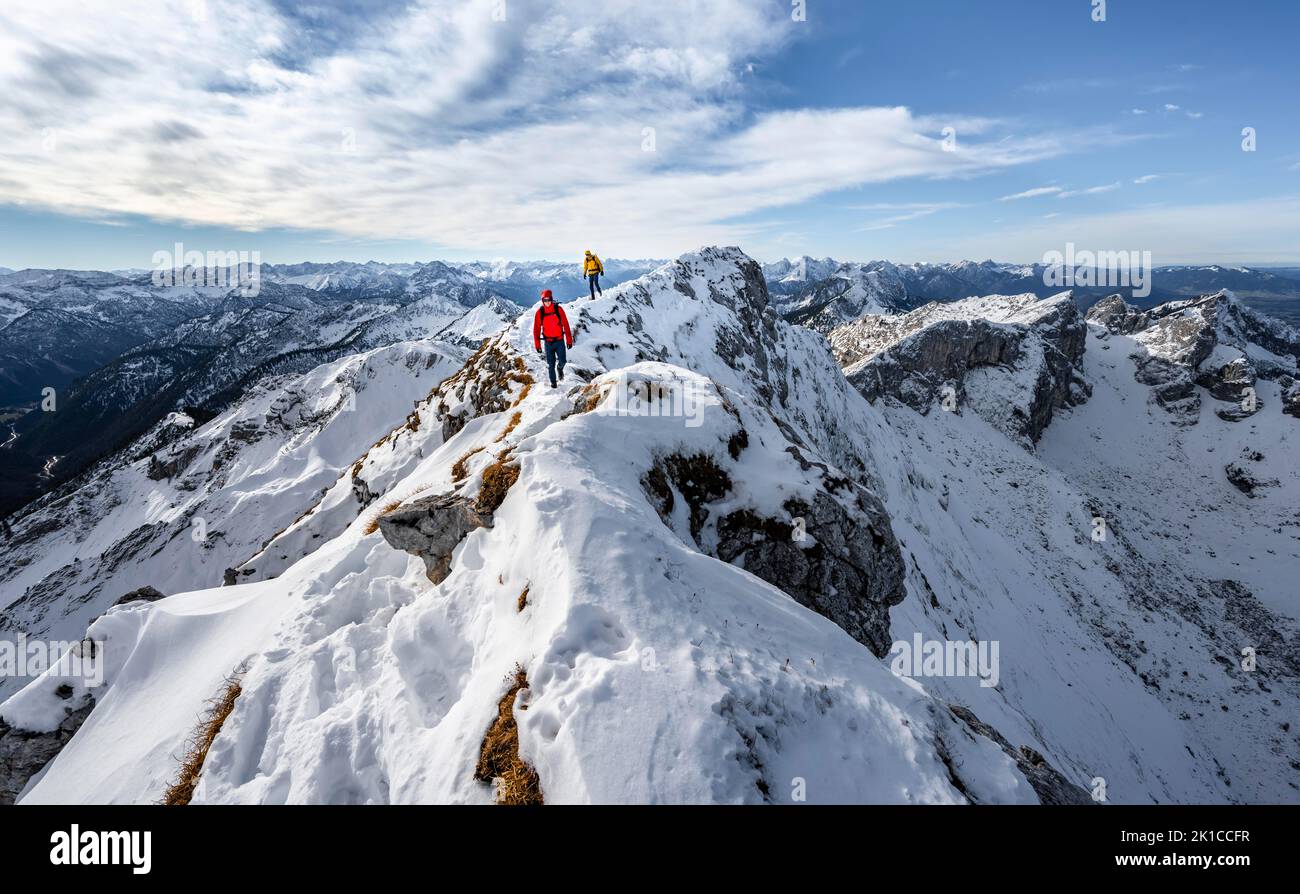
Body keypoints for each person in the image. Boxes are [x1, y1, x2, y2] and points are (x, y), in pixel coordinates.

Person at [532, 289, 574, 388]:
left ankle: (560, 369)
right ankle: (553, 384)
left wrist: (569, 340)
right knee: (550, 365)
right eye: (545, 300)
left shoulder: (558, 310)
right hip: (548, 343)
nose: (547, 302)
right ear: (542, 301)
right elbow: (536, 330)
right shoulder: (540, 312)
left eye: (549, 299)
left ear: (551, 299)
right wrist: (537, 345)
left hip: (559, 341)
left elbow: (566, 325)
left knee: (563, 361)